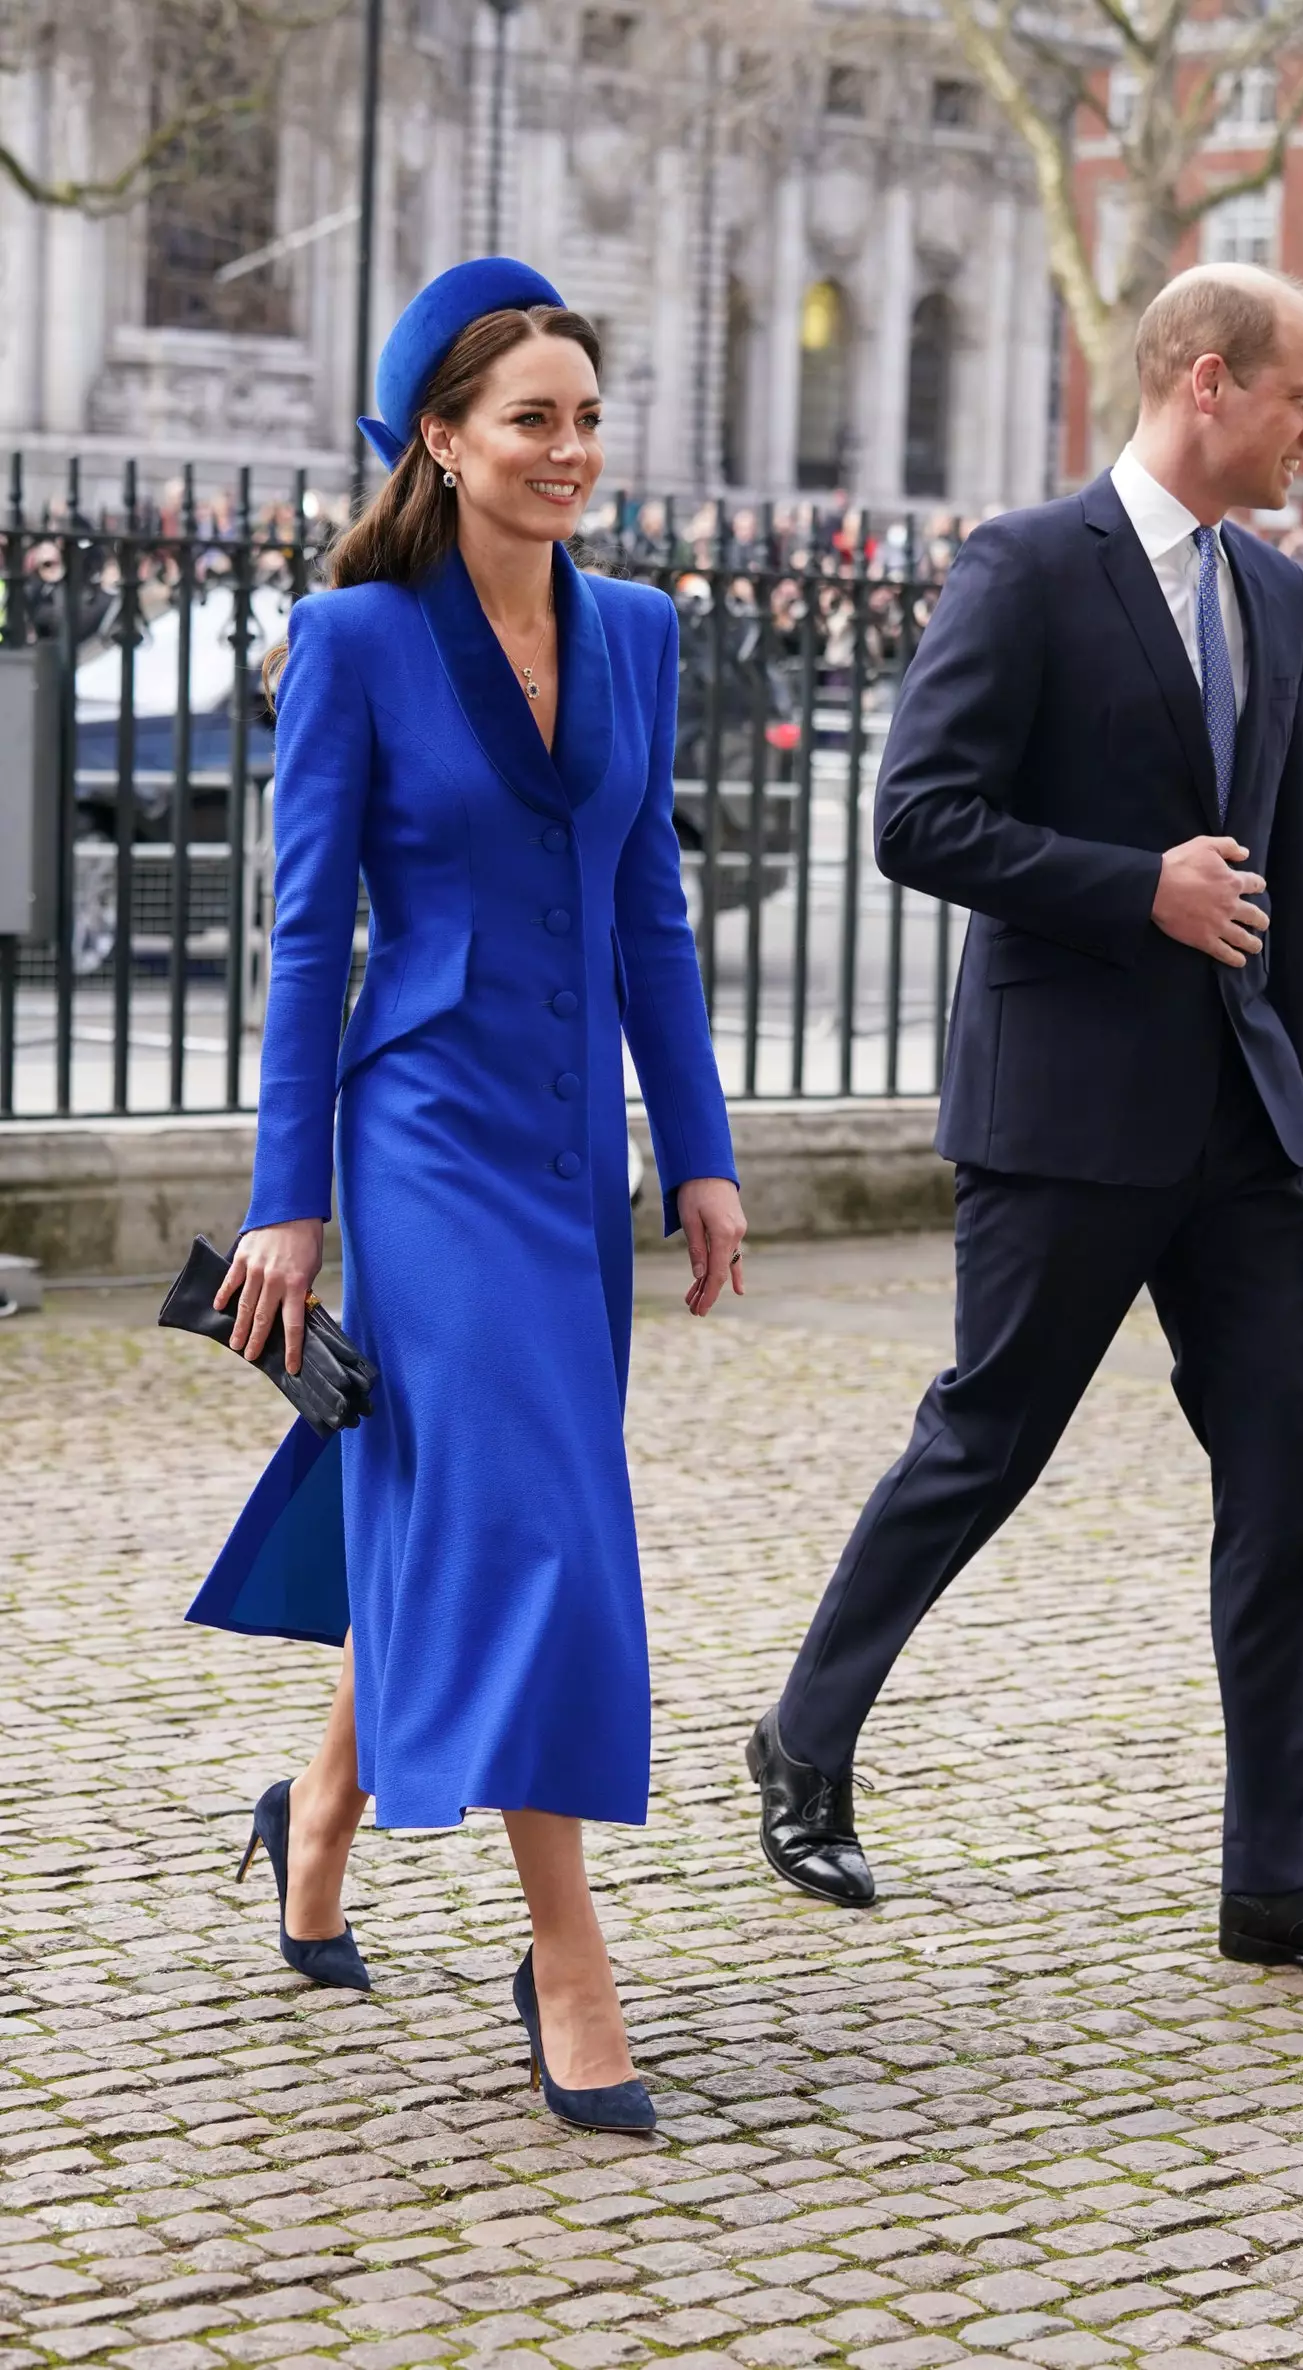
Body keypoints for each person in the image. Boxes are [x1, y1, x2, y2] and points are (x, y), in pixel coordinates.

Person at [747, 263, 1303, 1998]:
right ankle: (801, 1738)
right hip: (1066, 1114)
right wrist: (1131, 890)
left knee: (1281, 1490)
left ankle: (1279, 1879)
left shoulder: (1279, 594)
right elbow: (920, 818)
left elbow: (1277, 870)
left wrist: (1298, 1104)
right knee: (986, 1440)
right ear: (1204, 382)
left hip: (1236, 1129)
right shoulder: (1025, 566)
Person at [186, 259, 747, 2133]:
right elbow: (304, 935)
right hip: (417, 1134)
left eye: (588, 418)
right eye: (533, 419)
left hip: (568, 1149)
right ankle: (566, 1959)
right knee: (536, 1524)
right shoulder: (353, 639)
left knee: (452, 1494)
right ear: (441, 435)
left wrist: (708, 1149)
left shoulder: (645, 633)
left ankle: (318, 1817)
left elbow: (652, 916)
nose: (571, 450)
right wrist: (290, 1202)